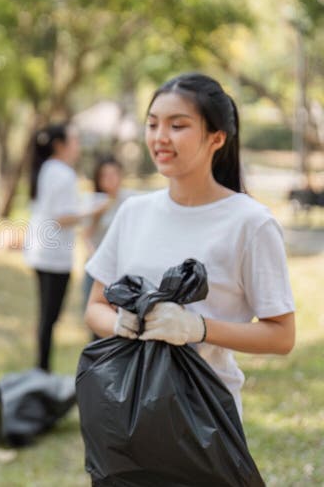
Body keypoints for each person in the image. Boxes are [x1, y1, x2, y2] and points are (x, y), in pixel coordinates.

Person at [85, 72, 295, 419]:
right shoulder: (134, 212)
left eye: (177, 126)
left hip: (206, 419)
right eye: (152, 125)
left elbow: (281, 335)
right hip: (127, 410)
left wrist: (198, 328)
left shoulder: (251, 222)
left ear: (217, 137)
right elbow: (95, 306)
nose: (160, 137)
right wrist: (120, 324)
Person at [23, 124, 108, 371]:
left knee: (46, 316)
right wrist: (93, 210)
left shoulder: (48, 168)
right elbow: (62, 218)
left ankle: (42, 368)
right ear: (60, 145)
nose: (78, 146)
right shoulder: (62, 173)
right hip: (53, 255)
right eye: (75, 140)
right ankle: (42, 369)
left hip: (40, 252)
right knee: (50, 317)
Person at [81, 156, 131, 316]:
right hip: (97, 266)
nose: (110, 179)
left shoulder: (130, 201)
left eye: (114, 174)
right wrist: (97, 258)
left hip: (123, 267)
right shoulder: (95, 200)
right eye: (105, 175)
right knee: (97, 313)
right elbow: (85, 235)